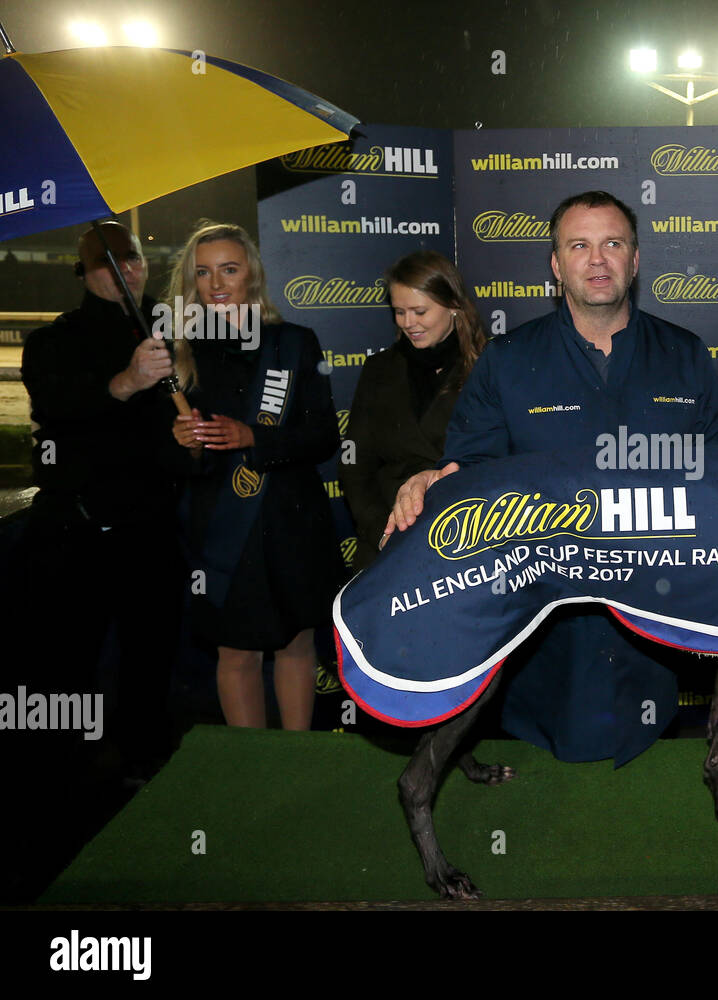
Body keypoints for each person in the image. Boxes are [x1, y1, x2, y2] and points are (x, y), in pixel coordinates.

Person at [385, 190, 718, 765]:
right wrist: (429, 481)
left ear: (636, 259)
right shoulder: (508, 359)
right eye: (579, 246)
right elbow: (469, 472)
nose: (598, 260)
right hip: (540, 643)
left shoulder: (685, 354)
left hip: (655, 637)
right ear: (556, 265)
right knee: (548, 811)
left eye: (612, 244)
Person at [18, 221, 185, 779]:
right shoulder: (52, 341)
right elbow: (59, 406)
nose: (127, 272)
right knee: (68, 660)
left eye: (133, 259)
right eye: (108, 264)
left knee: (151, 655)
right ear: (84, 272)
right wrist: (128, 381)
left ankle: (145, 757)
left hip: (153, 527)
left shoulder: (174, 326)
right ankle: (65, 769)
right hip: (78, 531)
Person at [169, 222, 342, 730]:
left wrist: (253, 438)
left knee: (295, 641)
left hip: (290, 521)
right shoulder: (177, 354)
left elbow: (324, 437)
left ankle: (296, 761)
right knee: (236, 651)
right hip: (222, 529)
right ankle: (246, 770)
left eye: (229, 268)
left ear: (252, 275)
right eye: (203, 272)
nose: (216, 282)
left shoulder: (294, 343)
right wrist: (182, 446)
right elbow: (167, 461)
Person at [340, 252, 487, 571]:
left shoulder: (491, 366)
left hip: (468, 543)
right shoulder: (378, 370)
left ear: (454, 307)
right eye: (399, 312)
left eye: (420, 311)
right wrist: (385, 533)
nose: (409, 323)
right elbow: (355, 466)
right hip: (388, 542)